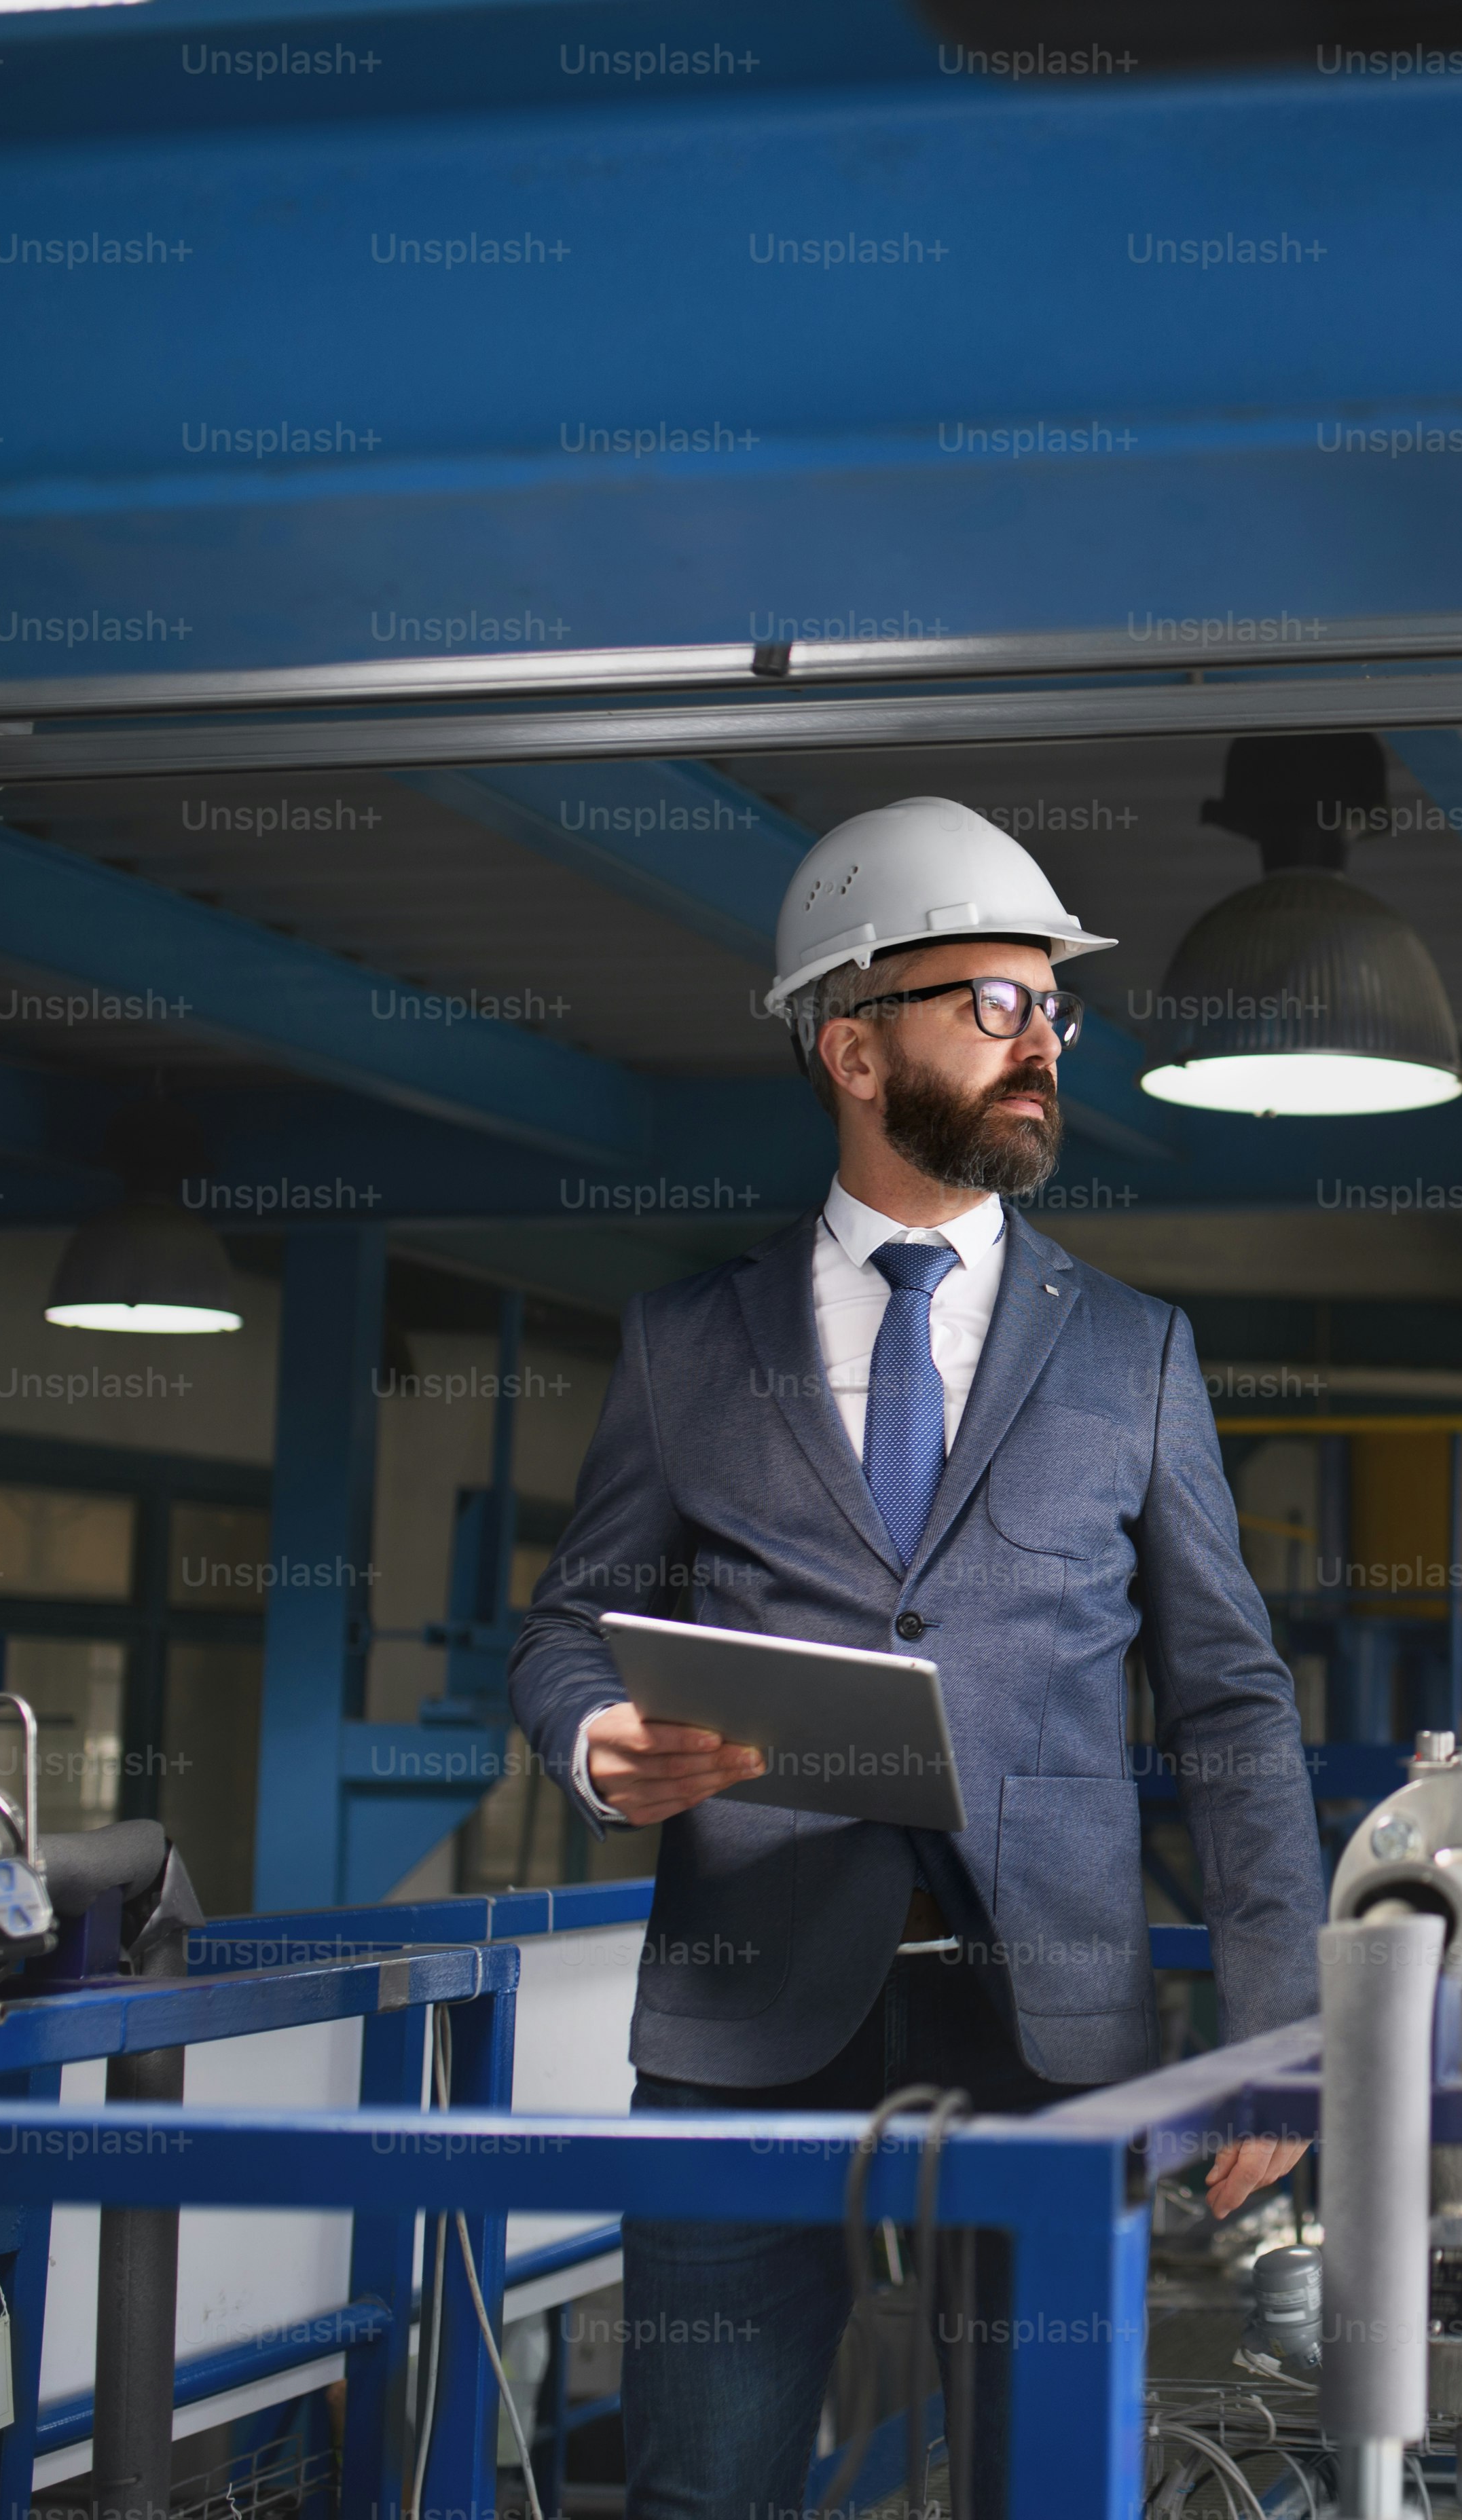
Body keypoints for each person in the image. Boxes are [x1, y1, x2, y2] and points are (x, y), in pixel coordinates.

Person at [508, 797, 1320, 2517]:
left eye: (1053, 1010)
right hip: (743, 2028)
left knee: (1042, 2494)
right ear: (854, 1047)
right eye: (996, 1005)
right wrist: (598, 1745)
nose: (1042, 1048)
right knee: (703, 2496)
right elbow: (570, 1620)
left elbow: (1233, 1698)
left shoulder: (1136, 1353)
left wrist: (1278, 2018)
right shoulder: (684, 1345)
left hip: (1049, 2033)